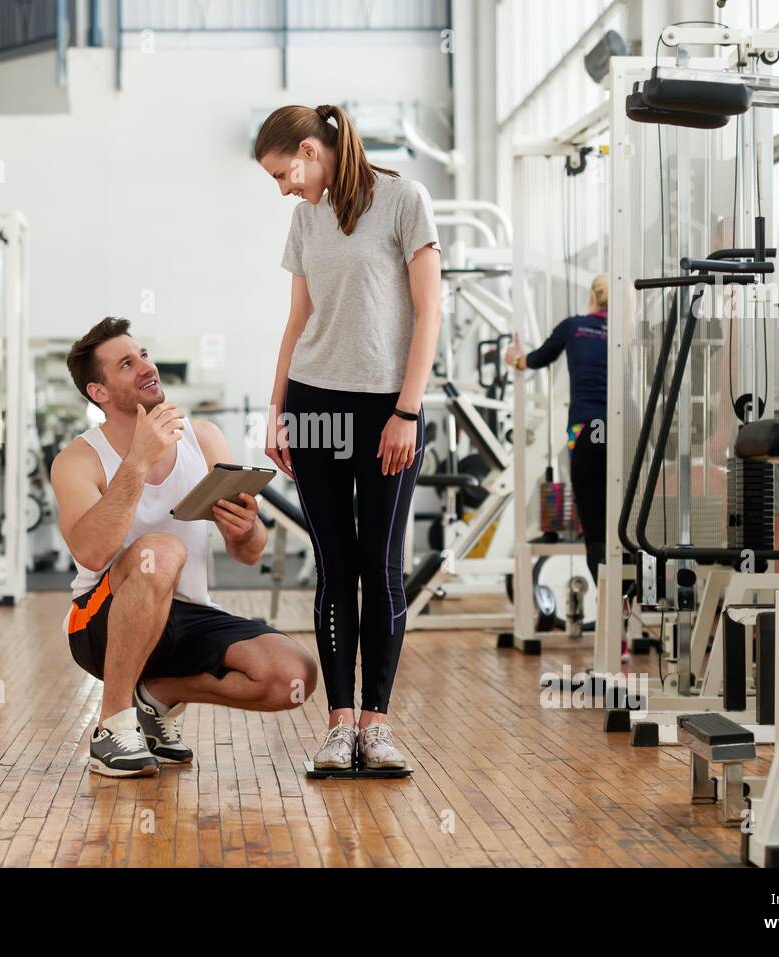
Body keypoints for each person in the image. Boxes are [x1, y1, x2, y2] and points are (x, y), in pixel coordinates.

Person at [254, 104, 442, 770]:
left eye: (284, 174)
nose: (284, 189)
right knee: (335, 566)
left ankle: (377, 724)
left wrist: (408, 411)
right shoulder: (305, 217)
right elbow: (296, 320)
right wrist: (277, 410)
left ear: (310, 149)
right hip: (313, 404)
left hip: (386, 410)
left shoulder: (403, 199)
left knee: (381, 566)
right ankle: (338, 727)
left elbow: (430, 311)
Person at [51, 317, 319, 778]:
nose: (145, 367)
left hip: (188, 615)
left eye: (144, 355)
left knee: (292, 677)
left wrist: (245, 530)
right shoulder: (78, 459)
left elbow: (250, 553)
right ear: (99, 392)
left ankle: (157, 695)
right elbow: (92, 554)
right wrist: (138, 458)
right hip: (100, 623)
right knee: (163, 552)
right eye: (126, 364)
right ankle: (112, 726)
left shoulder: (205, 437)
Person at [506, 274, 609, 587]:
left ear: (592, 296)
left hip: (586, 433)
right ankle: (628, 610)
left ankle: (611, 615)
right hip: (626, 435)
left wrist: (516, 359)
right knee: (624, 529)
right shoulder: (626, 331)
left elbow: (536, 359)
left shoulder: (574, 326)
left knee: (596, 531)